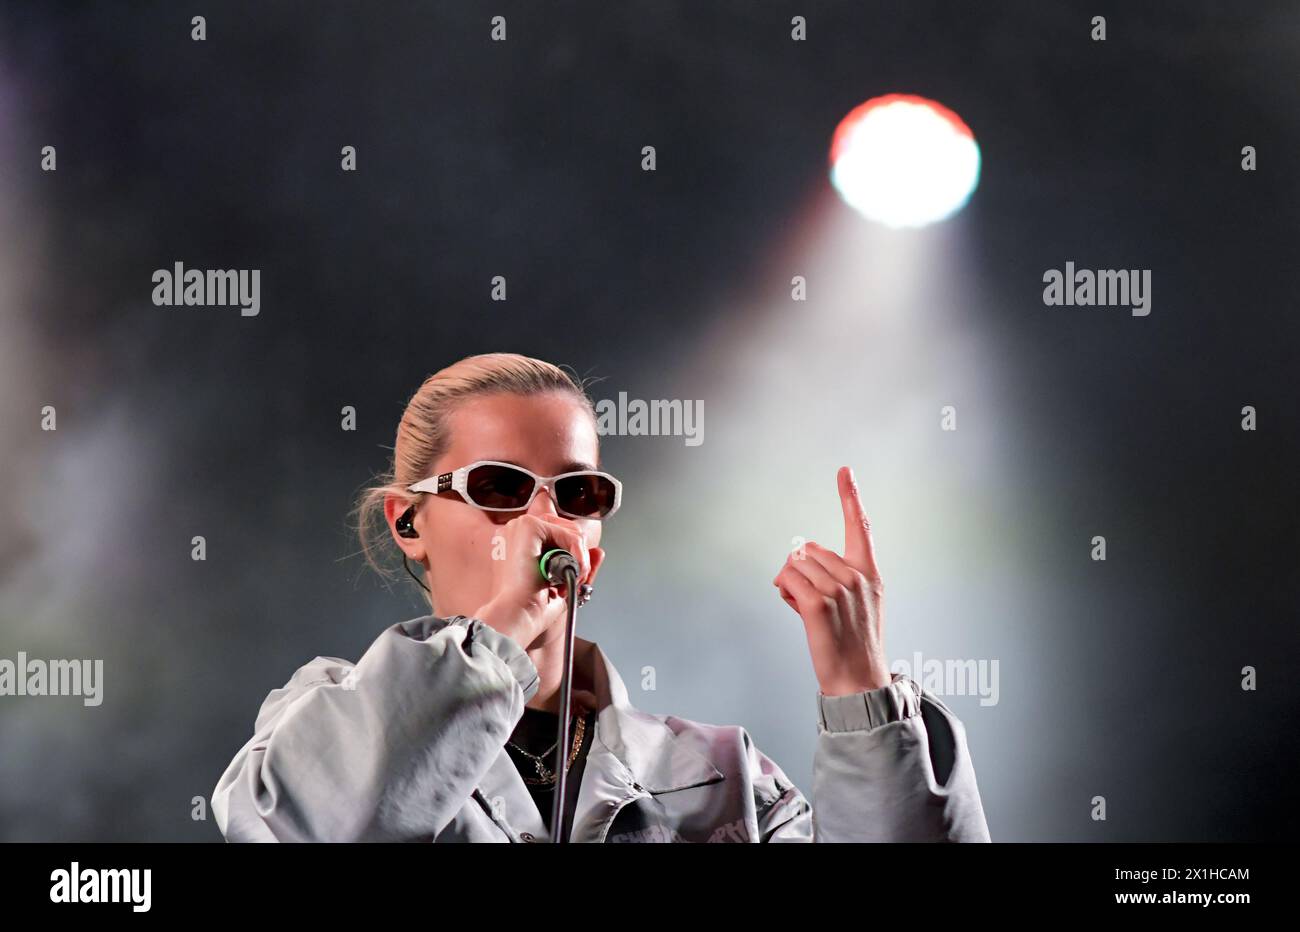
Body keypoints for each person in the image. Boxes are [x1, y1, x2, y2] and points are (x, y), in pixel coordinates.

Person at [211, 352, 991, 842]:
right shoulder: (318, 718)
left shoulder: (718, 773)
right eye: (500, 488)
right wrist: (503, 630)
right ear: (408, 520)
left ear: (597, 547)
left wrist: (862, 694)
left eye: (576, 493)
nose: (545, 519)